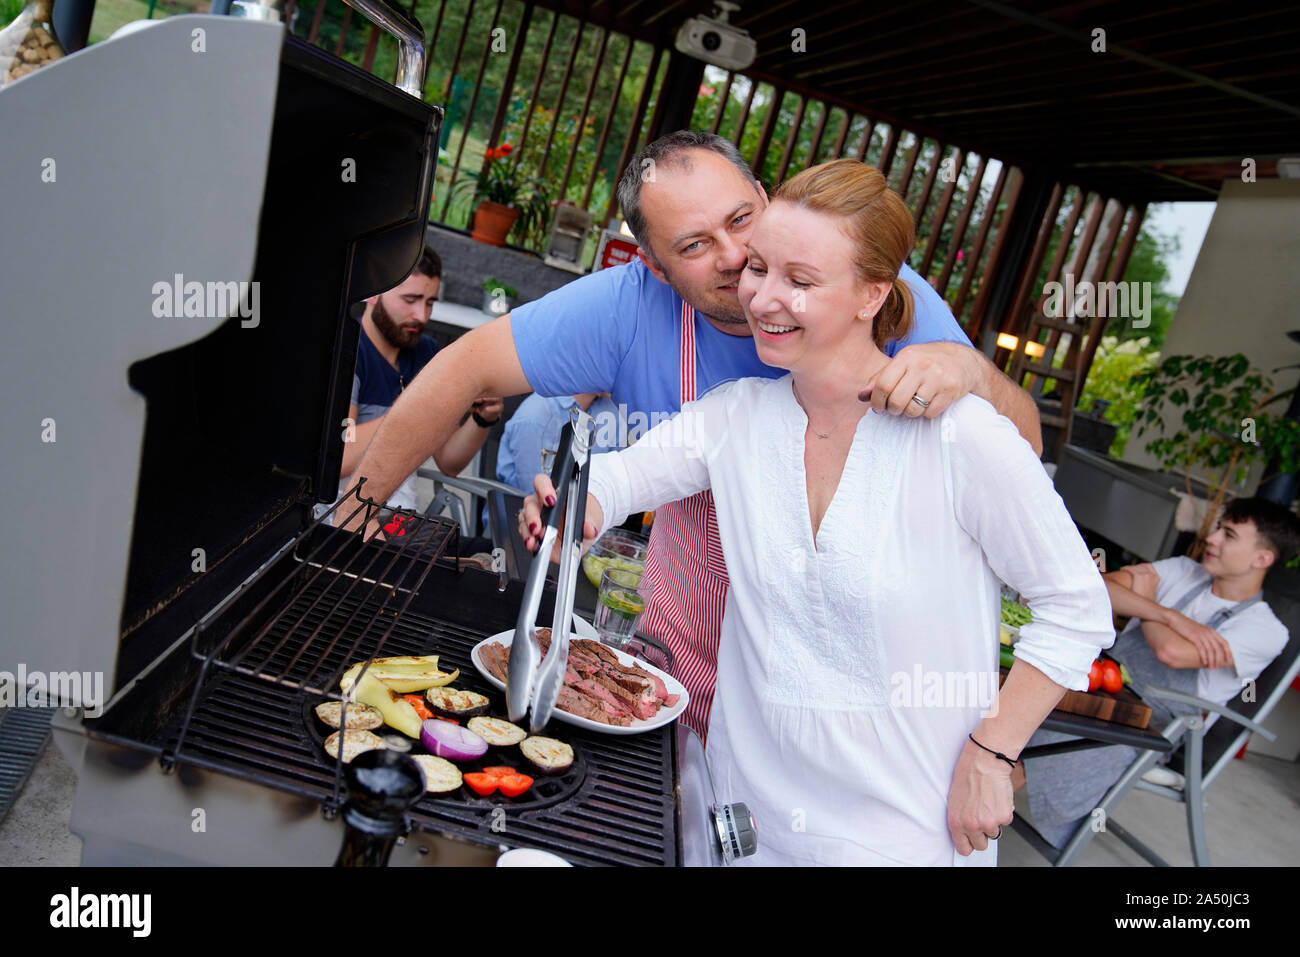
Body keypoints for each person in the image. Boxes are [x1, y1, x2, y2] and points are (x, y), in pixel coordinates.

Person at [347, 131, 1043, 739]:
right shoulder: (640, 322)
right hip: (681, 680)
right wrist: (353, 521)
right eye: (695, 245)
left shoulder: (868, 290)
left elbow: (1024, 454)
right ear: (652, 264)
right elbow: (463, 369)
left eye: (743, 218)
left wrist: (970, 371)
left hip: (865, 690)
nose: (740, 257)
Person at [519, 159, 1112, 865]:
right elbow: (612, 481)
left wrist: (992, 751)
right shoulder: (733, 420)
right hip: (737, 821)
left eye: (799, 281)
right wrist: (573, 507)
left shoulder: (961, 437)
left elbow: (1076, 604)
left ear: (872, 295)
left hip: (905, 833)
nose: (763, 298)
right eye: (759, 268)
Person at [1017, 496, 1297, 849]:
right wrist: (1168, 615)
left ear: (1262, 559)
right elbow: (1099, 586)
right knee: (1006, 705)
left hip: (1149, 728)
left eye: (1228, 534)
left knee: (1026, 752)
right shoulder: (1185, 569)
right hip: (1097, 687)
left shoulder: (1266, 630)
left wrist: (1147, 605)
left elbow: (1172, 653)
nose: (1211, 538)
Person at [335, 245, 503, 516]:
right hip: (343, 522)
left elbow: (449, 461)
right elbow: (341, 454)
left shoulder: (426, 354)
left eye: (429, 302)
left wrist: (482, 419)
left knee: (470, 552)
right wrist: (416, 408)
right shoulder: (346, 352)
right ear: (374, 292)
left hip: (400, 524)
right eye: (410, 300)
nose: (422, 316)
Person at [495, 393, 623, 493]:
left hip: (587, 517)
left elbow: (615, 481)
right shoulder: (535, 417)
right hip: (520, 520)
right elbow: (534, 492)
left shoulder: (609, 411)